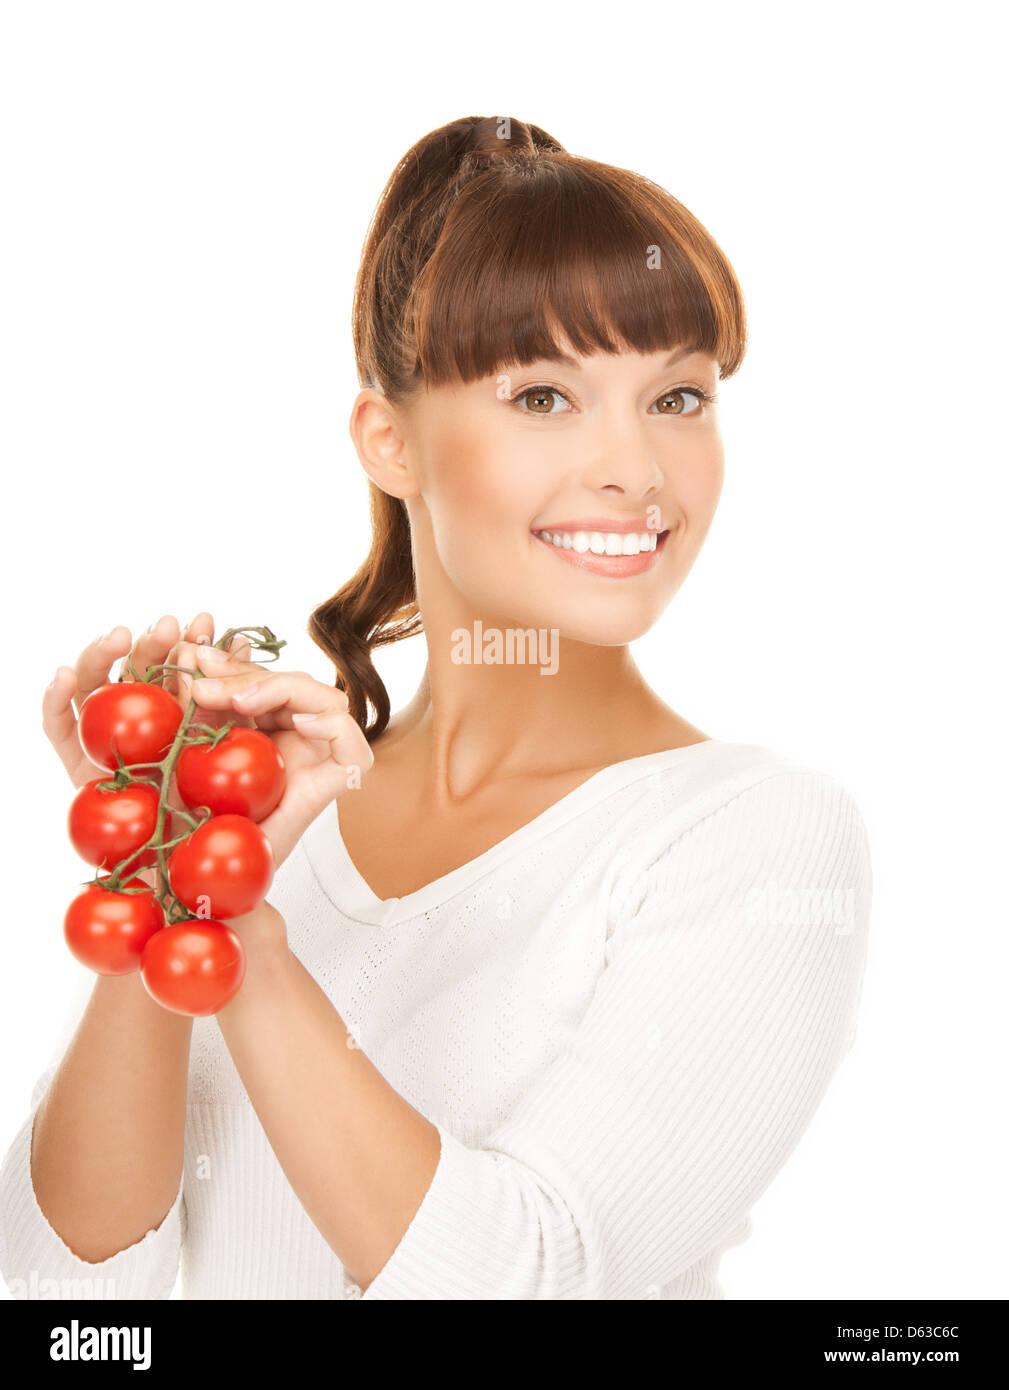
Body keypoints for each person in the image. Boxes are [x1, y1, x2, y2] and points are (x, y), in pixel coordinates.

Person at [0, 114, 872, 1300]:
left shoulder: (750, 837)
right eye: (546, 396)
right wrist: (174, 873)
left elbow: (524, 1279)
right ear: (388, 441)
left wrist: (244, 940)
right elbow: (63, 1303)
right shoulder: (269, 815)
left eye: (678, 396)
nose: (636, 468)